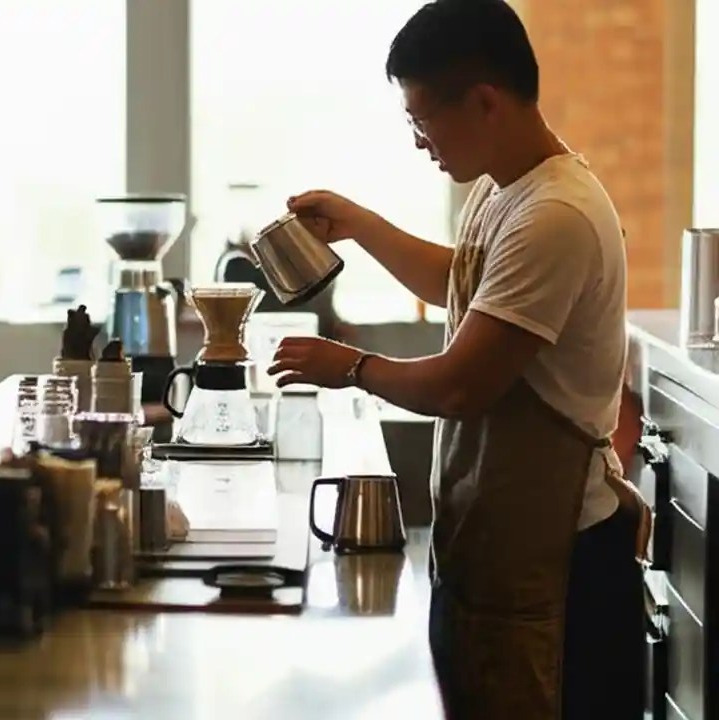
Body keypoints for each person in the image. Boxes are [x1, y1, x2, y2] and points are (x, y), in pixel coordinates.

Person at [266, 1, 649, 718]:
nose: (419, 142)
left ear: (483, 101)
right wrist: (362, 226)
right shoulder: (503, 192)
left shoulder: (556, 214)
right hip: (499, 554)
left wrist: (345, 365)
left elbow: (463, 385)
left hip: (560, 570)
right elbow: (467, 281)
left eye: (422, 119)